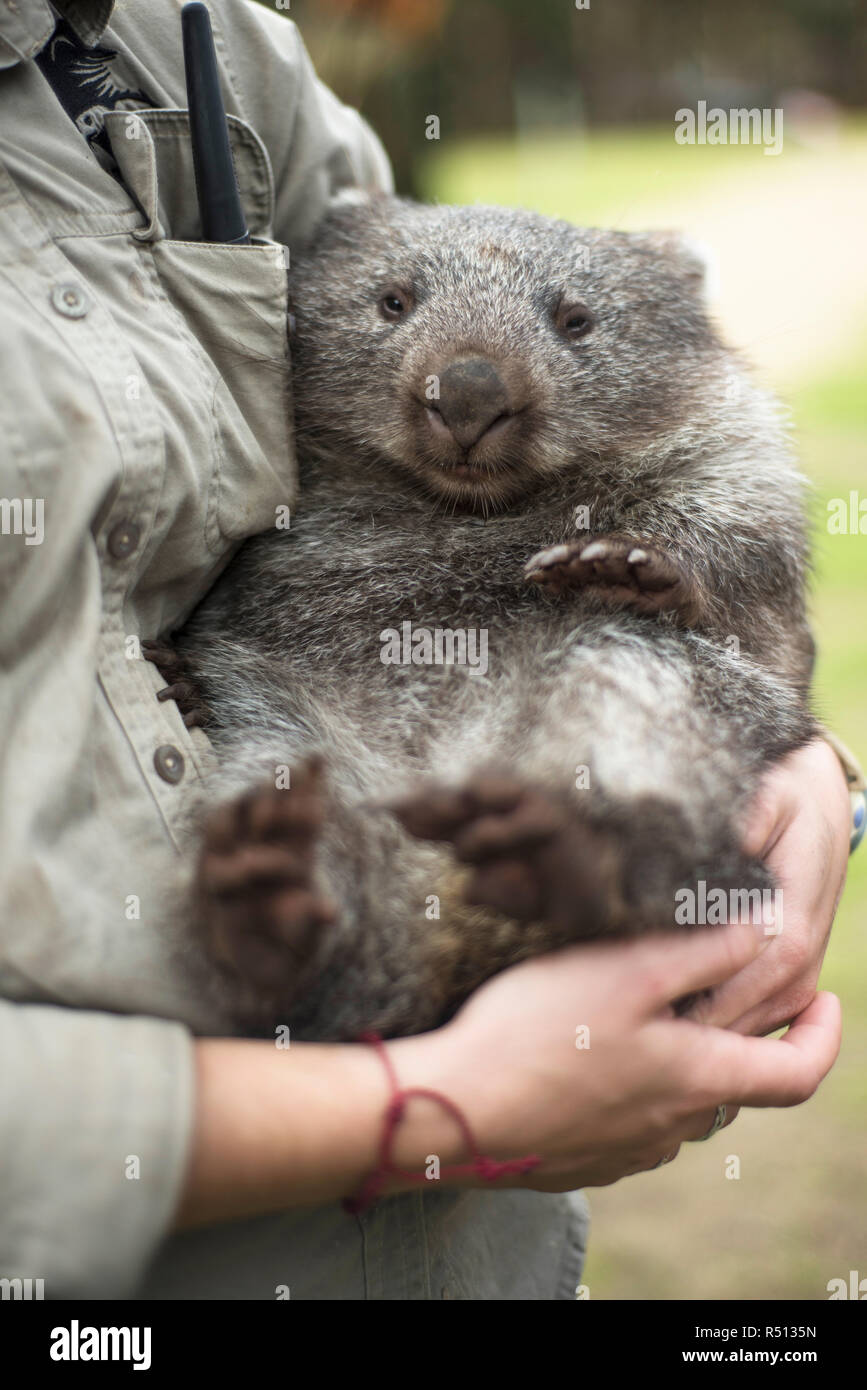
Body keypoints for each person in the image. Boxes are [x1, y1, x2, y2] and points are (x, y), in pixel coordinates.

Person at [0, 0, 855, 1300]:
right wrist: (426, 1101)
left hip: (460, 1253)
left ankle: (584, 847)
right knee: (288, 772)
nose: (460, 378)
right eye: (395, 314)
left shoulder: (192, 42)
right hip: (139, 1255)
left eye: (573, 329)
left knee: (631, 688)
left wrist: (808, 773)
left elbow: (408, 242)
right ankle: (311, 913)